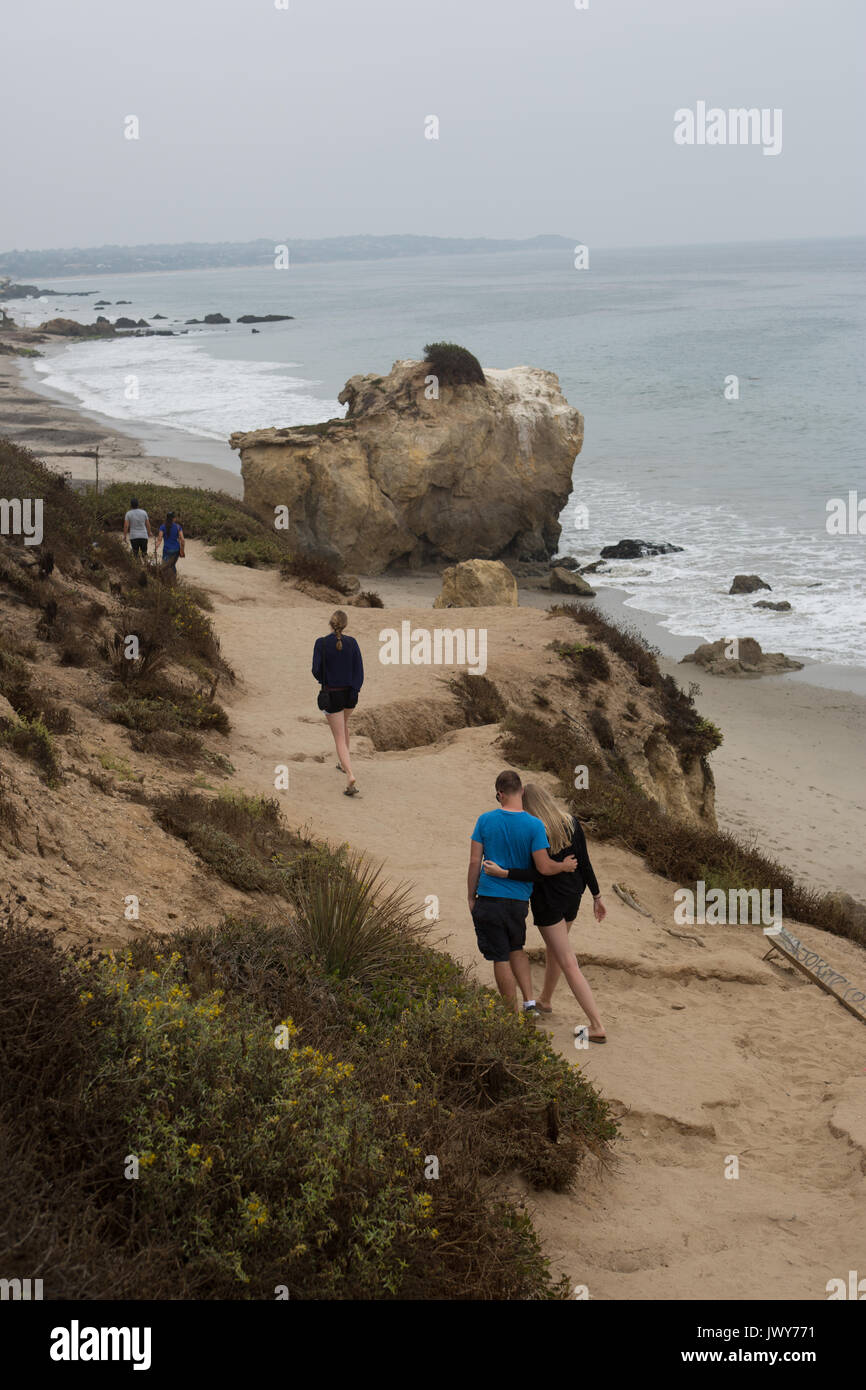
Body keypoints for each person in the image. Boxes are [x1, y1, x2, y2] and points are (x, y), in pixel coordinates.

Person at [483, 781, 607, 1041]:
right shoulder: (570, 822)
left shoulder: (534, 830)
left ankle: (596, 1026)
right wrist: (597, 895)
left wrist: (504, 873)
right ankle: (546, 1000)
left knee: (567, 961)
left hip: (549, 903)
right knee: (555, 952)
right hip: (573, 896)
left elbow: (536, 873)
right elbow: (584, 862)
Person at [468, 769, 578, 1016]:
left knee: (500, 956)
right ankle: (529, 1003)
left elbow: (475, 862)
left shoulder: (485, 820)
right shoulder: (535, 825)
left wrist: (470, 895)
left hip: (489, 897)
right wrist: (564, 866)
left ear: (500, 794)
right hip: (518, 902)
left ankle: (510, 1013)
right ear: (522, 791)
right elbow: (544, 867)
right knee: (516, 948)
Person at [312, 610, 364, 796]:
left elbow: (316, 670)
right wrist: (355, 689)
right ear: (345, 624)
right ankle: (344, 765)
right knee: (344, 726)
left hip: (332, 694)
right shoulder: (353, 643)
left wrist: (326, 681)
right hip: (350, 694)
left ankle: (350, 775)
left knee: (339, 737)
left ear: (330, 623)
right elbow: (359, 670)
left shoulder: (322, 643)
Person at [155, 511, 184, 576]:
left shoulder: (162, 527)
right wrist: (182, 549)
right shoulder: (178, 527)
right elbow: (182, 540)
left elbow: (159, 540)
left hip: (167, 550)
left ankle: (167, 580)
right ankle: (174, 580)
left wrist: (155, 549)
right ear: (174, 518)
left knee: (165, 567)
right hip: (176, 550)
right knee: (172, 565)